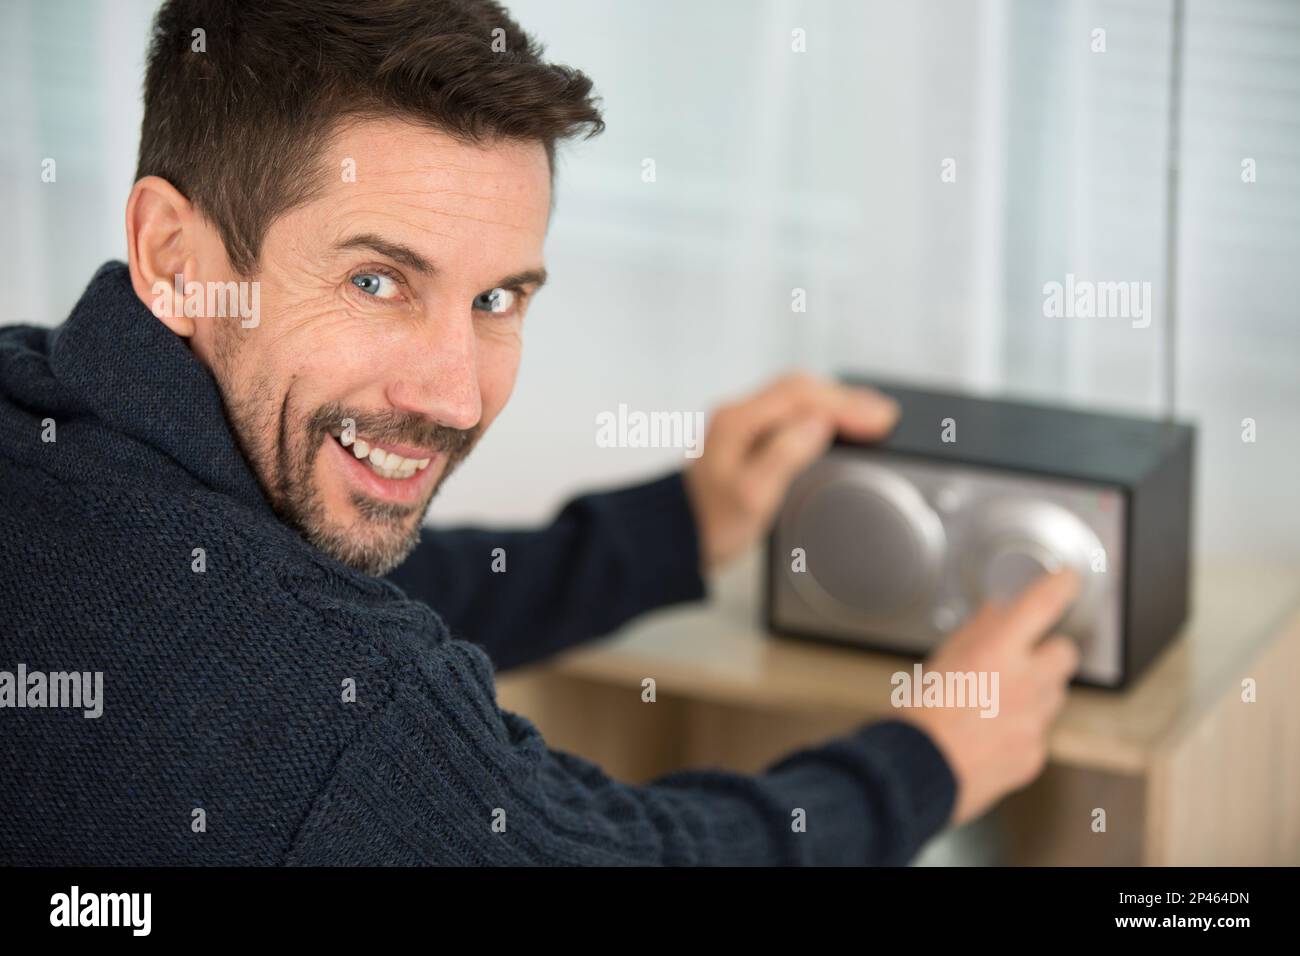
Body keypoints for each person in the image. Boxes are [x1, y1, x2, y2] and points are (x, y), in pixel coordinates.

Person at [0, 0, 1078, 865]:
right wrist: (931, 758)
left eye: (498, 298)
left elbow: (281, 595)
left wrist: (667, 533)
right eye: (376, 280)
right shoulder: (350, 711)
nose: (455, 396)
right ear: (175, 256)